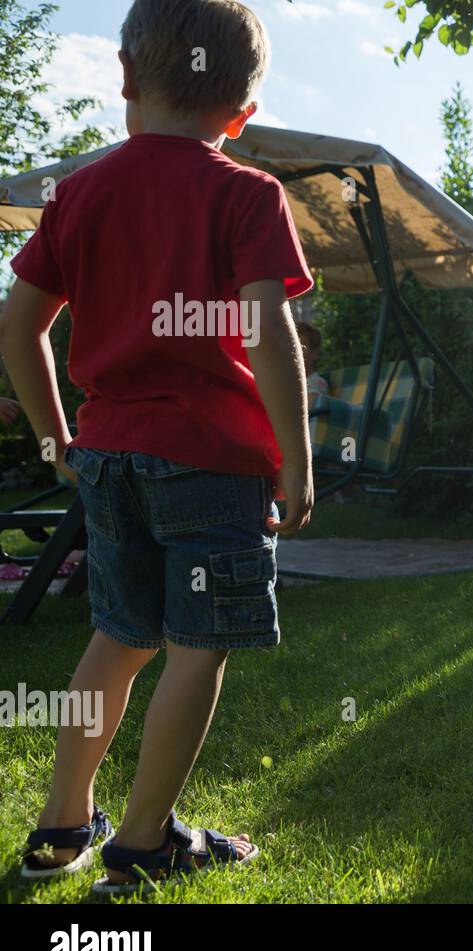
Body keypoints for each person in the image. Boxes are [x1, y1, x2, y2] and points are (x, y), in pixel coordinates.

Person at [0, 0, 314, 892]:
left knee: (117, 633)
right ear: (241, 113)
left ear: (127, 80)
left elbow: (16, 330)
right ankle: (142, 845)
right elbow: (269, 336)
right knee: (195, 644)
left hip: (107, 454)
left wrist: (56, 433)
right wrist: (294, 458)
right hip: (212, 459)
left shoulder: (79, 195)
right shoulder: (247, 192)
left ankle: (62, 826)